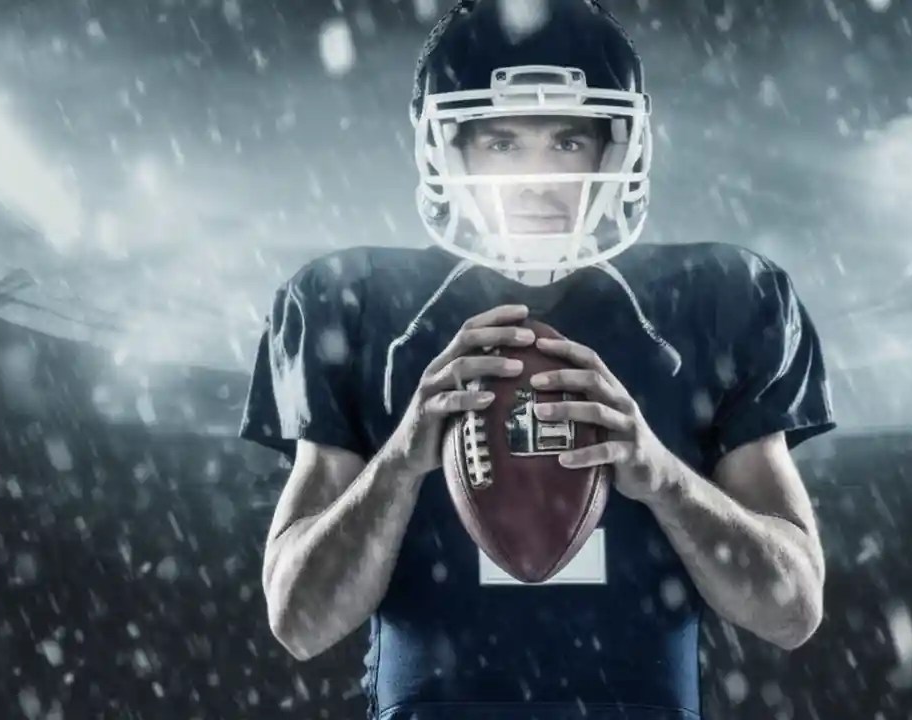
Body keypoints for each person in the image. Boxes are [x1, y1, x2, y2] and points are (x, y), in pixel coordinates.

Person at [238, 1, 837, 718]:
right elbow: (300, 620)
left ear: (620, 148)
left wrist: (662, 477)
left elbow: (793, 610)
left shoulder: (718, 303)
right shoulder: (356, 308)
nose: (536, 179)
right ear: (446, 150)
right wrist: (400, 462)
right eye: (501, 143)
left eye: (567, 142)